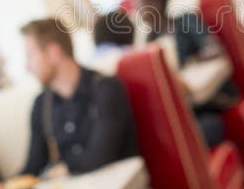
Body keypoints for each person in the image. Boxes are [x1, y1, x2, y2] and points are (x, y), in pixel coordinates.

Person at [19, 19, 176, 189]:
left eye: (30, 56)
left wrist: (63, 166)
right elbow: (32, 167)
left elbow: (99, 156)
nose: (27, 67)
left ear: (54, 52)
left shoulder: (105, 88)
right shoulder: (41, 106)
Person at [91, 10, 226, 147]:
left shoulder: (90, 68)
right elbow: (182, 90)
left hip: (121, 146)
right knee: (213, 124)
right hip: (161, 141)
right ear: (129, 35)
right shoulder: (135, 59)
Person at [137, 0, 239, 111]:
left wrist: (190, 63)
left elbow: (214, 49)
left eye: (141, 1)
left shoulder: (186, 21)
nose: (137, 7)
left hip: (210, 97)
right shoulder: (152, 39)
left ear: (156, 3)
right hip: (186, 103)